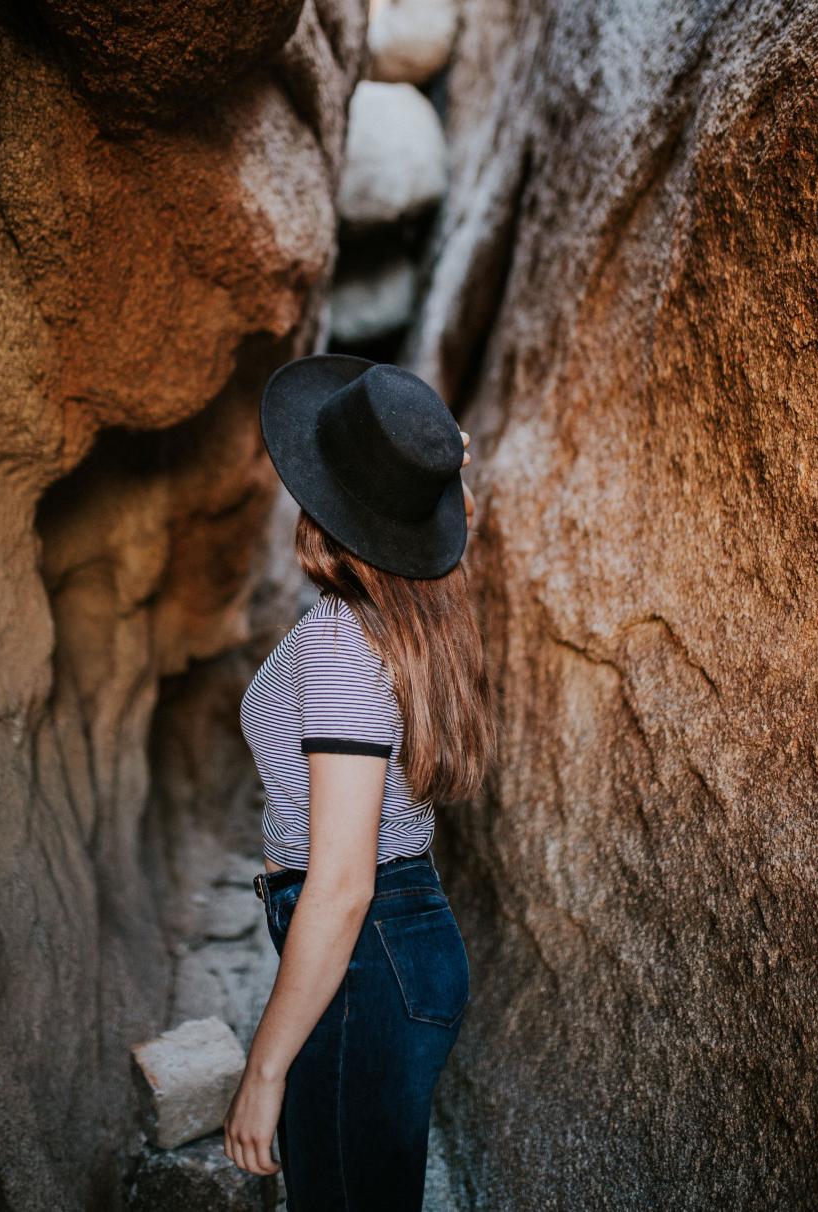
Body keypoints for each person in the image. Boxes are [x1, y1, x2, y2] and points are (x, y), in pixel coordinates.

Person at [224, 354, 497, 1210]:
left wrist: (263, 1071)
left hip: (363, 950)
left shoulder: (344, 641)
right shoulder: (418, 616)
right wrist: (439, 470)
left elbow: (341, 886)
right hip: (398, 945)